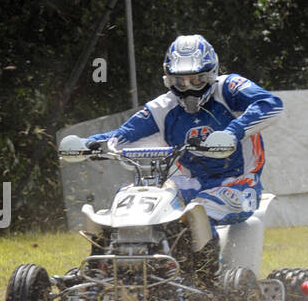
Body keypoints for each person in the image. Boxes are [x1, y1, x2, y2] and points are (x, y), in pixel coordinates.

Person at [81, 34, 283, 284]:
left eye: (197, 79)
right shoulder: (163, 107)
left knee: (195, 212)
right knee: (133, 201)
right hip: (190, 185)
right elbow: (123, 134)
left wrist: (233, 132)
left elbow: (271, 104)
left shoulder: (229, 88)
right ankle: (100, 277)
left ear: (211, 74)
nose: (188, 87)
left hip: (241, 183)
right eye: (180, 80)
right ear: (169, 79)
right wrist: (92, 143)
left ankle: (205, 279)